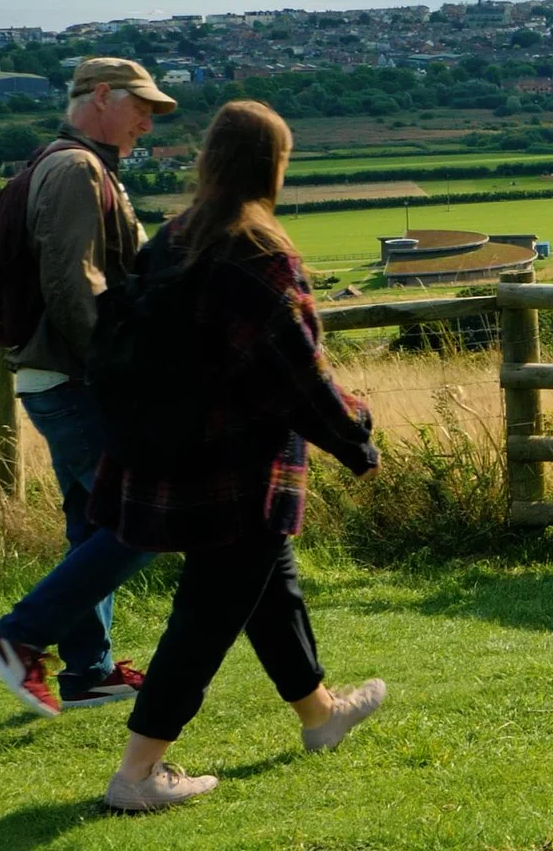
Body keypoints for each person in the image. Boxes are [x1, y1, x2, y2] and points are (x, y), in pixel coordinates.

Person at [93, 100, 384, 813]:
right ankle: (136, 775)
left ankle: (321, 718)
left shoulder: (177, 237)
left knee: (268, 584)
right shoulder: (259, 252)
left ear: (211, 160)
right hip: (238, 471)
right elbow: (299, 371)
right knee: (207, 615)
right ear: (273, 166)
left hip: (173, 456)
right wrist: (358, 433)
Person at [0, 58, 176, 718]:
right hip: (76, 379)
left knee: (91, 523)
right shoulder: (76, 171)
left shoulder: (63, 164)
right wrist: (114, 372)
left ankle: (88, 672)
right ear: (99, 97)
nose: (149, 121)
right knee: (144, 517)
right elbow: (71, 280)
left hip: (56, 375)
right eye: (141, 106)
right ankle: (20, 637)